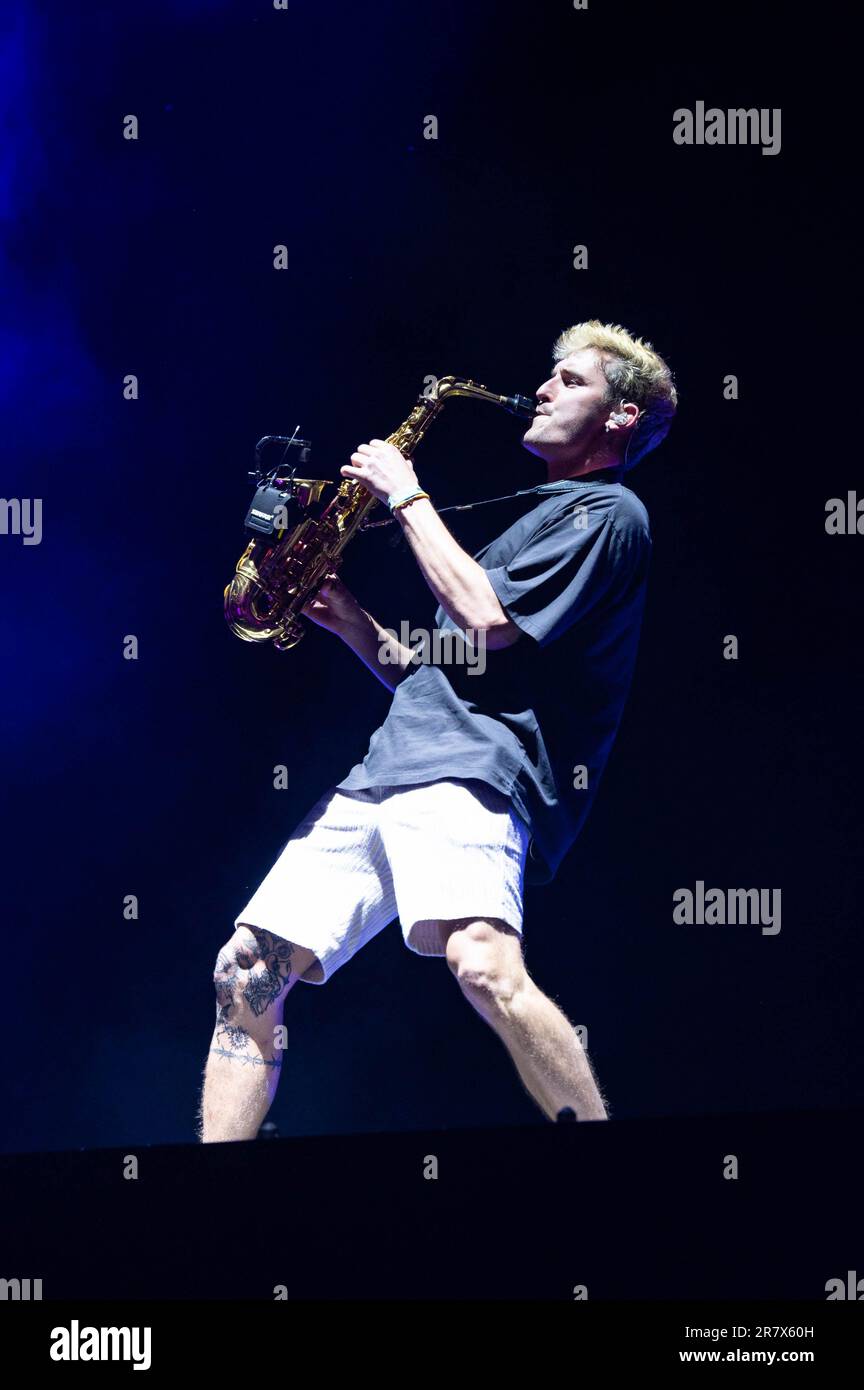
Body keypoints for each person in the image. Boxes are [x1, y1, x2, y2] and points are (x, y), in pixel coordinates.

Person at [198, 319, 677, 1142]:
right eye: (550, 375)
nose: (546, 388)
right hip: (385, 770)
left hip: (476, 772)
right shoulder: (531, 518)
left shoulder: (608, 512)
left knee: (484, 967)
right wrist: (351, 622)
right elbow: (431, 671)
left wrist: (405, 492)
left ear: (621, 417)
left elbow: (486, 620)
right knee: (245, 973)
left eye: (573, 381)